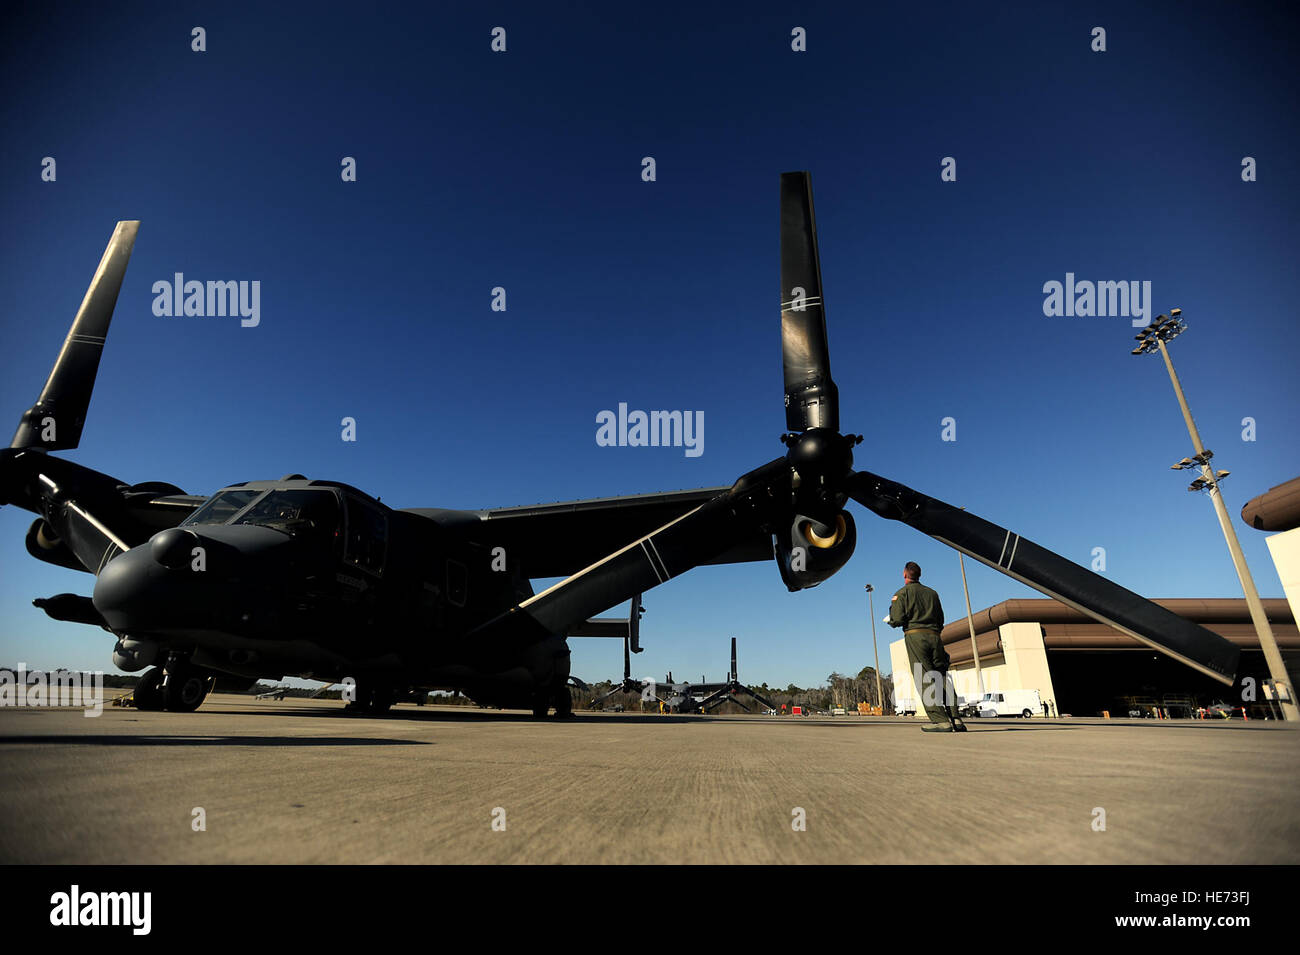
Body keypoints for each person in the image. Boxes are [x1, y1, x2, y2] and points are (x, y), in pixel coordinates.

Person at [887, 561, 965, 733]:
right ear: (919, 575)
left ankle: (939, 720)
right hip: (935, 636)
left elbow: (897, 619)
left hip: (916, 636)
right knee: (942, 677)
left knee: (924, 677)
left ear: (904, 574)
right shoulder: (932, 593)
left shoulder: (902, 594)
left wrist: (891, 619)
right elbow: (941, 619)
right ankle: (956, 718)